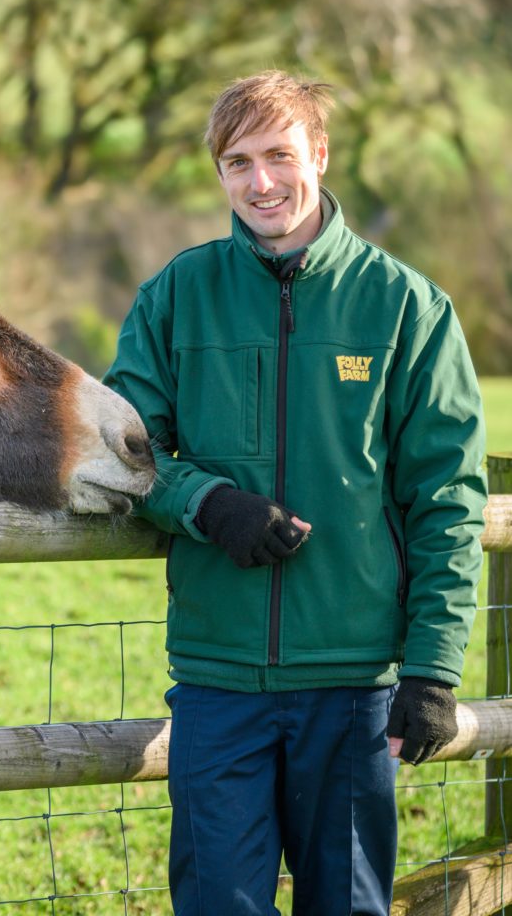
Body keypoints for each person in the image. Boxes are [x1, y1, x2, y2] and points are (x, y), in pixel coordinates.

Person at [103, 70, 487, 915]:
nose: (261, 182)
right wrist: (207, 504)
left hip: (353, 687)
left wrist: (431, 669)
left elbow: (448, 500)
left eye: (278, 155)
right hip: (217, 681)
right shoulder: (176, 295)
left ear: (319, 153)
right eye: (237, 163)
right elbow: (124, 449)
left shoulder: (406, 307)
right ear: (218, 174)